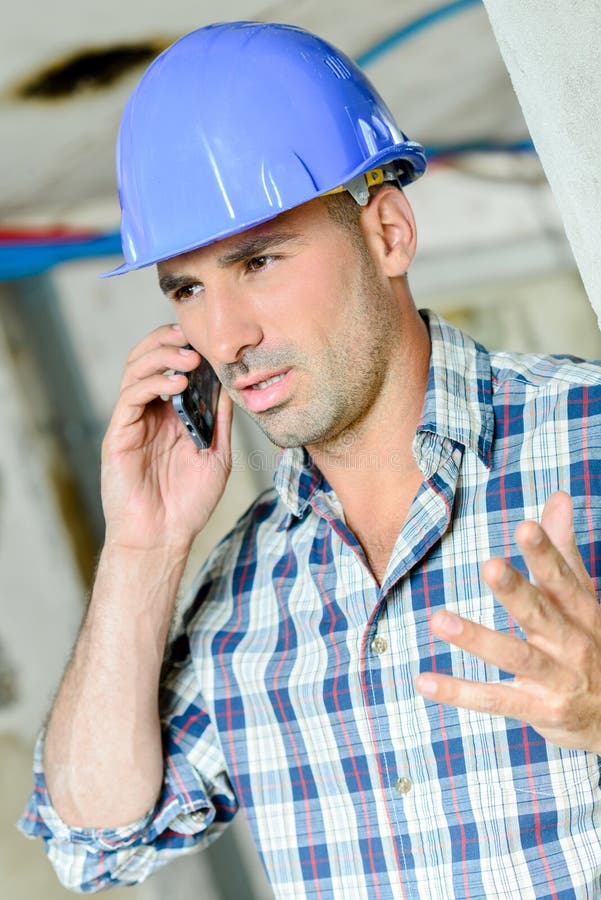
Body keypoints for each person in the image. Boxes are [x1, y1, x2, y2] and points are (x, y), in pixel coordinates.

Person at [18, 21, 601, 899]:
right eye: (186, 288)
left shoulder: (588, 437)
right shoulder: (244, 590)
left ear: (389, 234)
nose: (225, 336)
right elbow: (94, 841)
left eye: (258, 260)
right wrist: (141, 550)